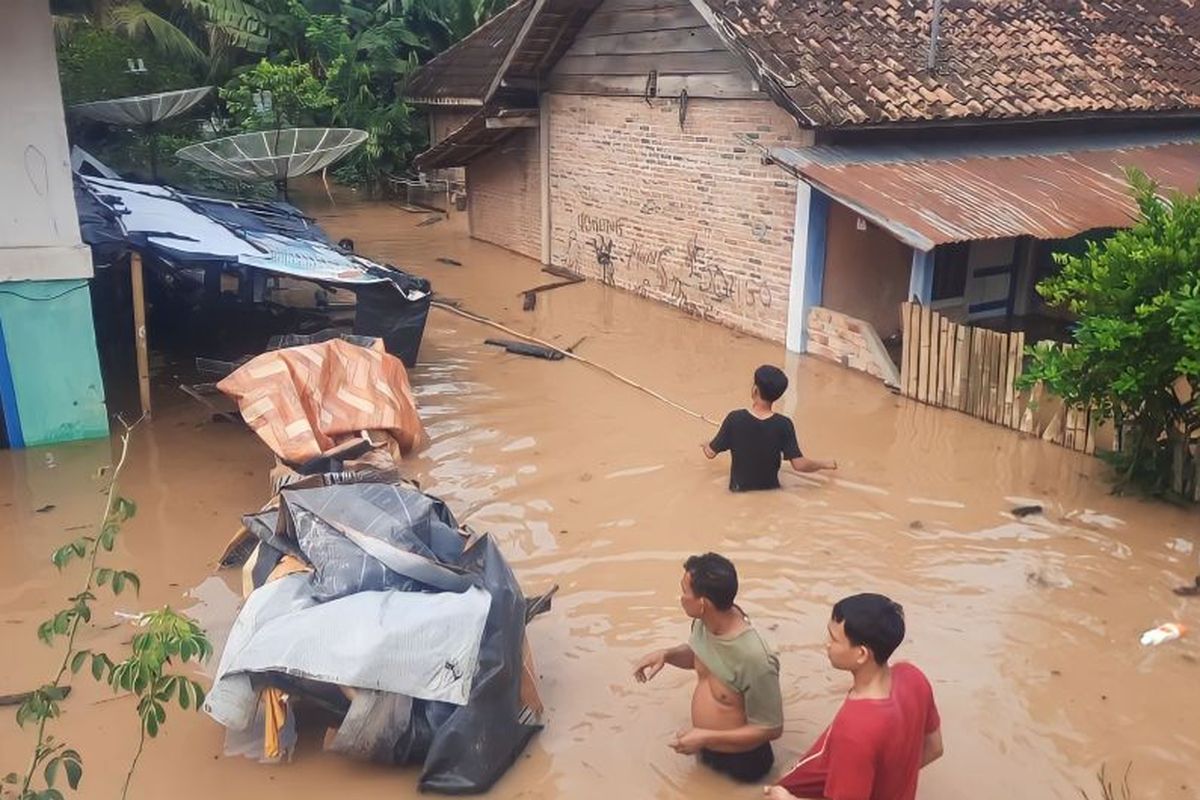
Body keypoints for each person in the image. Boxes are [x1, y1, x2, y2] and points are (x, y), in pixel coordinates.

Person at [765, 594, 943, 800]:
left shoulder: (854, 730)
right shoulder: (913, 676)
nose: (827, 644)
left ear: (861, 654)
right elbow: (934, 747)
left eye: (833, 639)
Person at [634, 553, 783, 782]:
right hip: (704, 747)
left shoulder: (756, 659)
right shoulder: (703, 623)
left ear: (702, 603)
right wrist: (668, 655)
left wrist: (705, 737)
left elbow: (771, 729)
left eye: (685, 592)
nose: (681, 598)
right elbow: (701, 656)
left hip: (743, 765)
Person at [702, 365, 836, 492]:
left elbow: (710, 453)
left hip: (738, 492)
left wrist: (706, 444)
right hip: (772, 491)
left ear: (755, 390)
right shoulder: (784, 424)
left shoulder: (734, 418)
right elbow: (799, 465)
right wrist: (824, 464)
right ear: (778, 396)